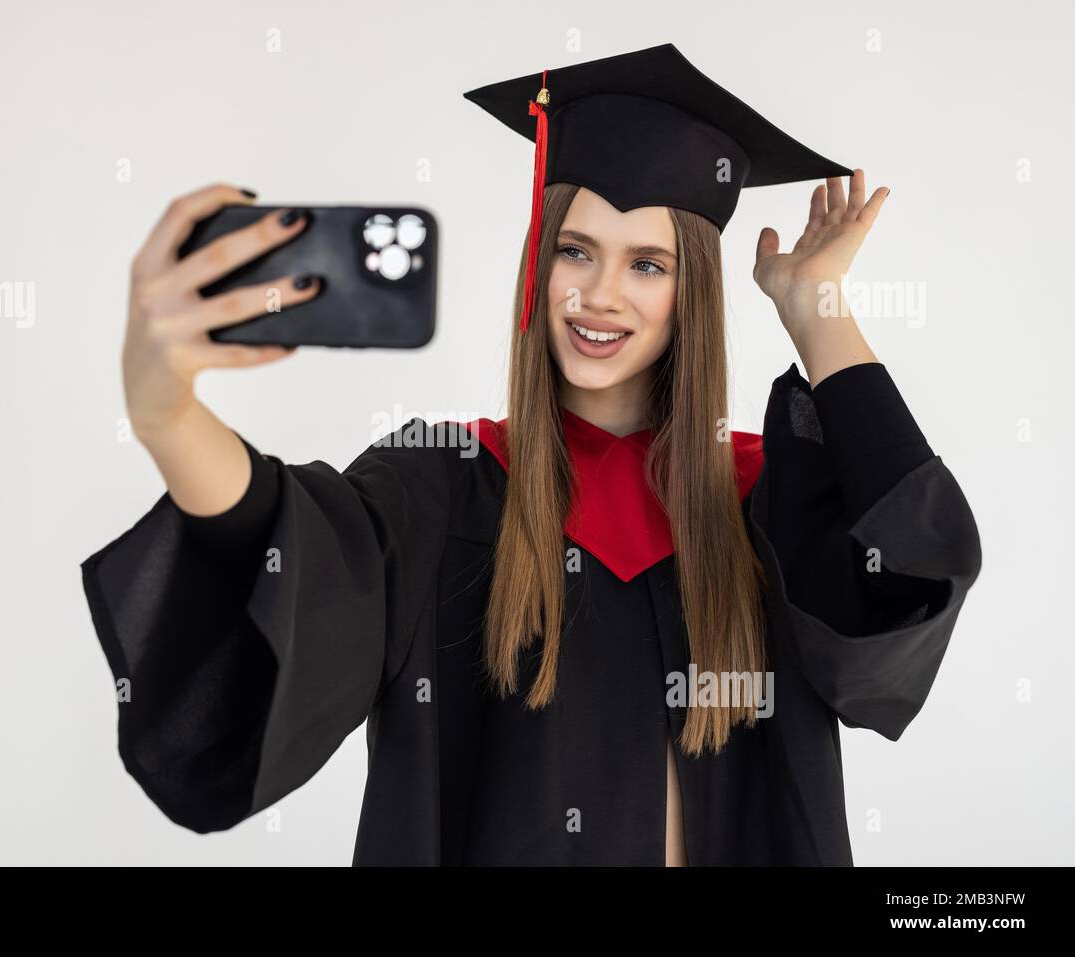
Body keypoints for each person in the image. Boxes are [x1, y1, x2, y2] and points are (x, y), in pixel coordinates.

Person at [80, 43, 982, 866]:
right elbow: (294, 551)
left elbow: (912, 579)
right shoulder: (443, 486)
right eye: (575, 250)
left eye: (648, 265)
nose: (597, 295)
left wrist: (817, 310)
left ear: (691, 294)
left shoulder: (765, 506)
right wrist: (167, 413)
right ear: (537, 260)